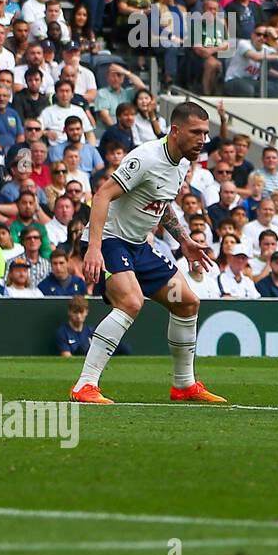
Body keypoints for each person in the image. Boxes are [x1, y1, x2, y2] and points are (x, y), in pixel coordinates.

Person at [71, 101, 224, 405]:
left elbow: (161, 204)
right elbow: (102, 195)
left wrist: (185, 241)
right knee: (130, 301)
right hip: (111, 240)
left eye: (206, 134)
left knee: (187, 303)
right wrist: (95, 248)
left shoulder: (182, 163)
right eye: (196, 132)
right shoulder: (145, 158)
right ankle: (85, 385)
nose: (202, 140)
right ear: (176, 130)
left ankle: (184, 385)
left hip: (139, 246)